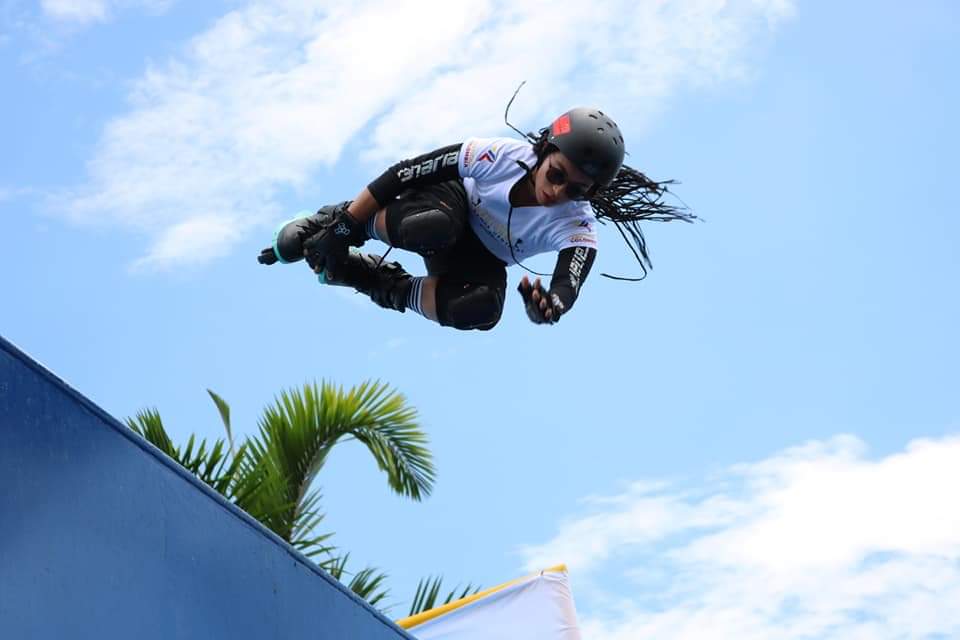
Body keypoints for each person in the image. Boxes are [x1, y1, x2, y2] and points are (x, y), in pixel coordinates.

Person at [259, 107, 693, 330]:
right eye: (556, 175)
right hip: (445, 205)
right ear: (543, 152)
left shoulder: (578, 228)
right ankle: (327, 220)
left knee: (482, 311)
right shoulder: (498, 156)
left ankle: (370, 278)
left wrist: (553, 305)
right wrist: (342, 229)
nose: (557, 193)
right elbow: (400, 174)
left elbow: (567, 285)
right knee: (433, 226)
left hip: (479, 258)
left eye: (575, 190)